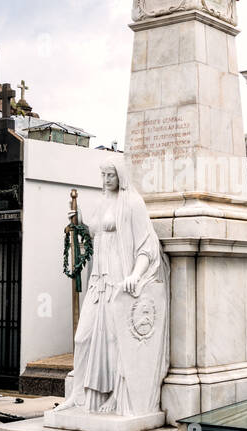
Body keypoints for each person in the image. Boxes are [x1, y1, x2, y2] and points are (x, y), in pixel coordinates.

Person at [54, 160, 167, 417]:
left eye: (111, 175)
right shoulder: (101, 201)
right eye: (103, 174)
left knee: (117, 339)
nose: (106, 179)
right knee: (83, 336)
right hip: (99, 279)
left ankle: (117, 394)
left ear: (121, 176)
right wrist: (80, 220)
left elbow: (146, 247)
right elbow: (96, 232)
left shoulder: (133, 204)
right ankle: (78, 394)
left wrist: (135, 276)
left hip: (119, 278)